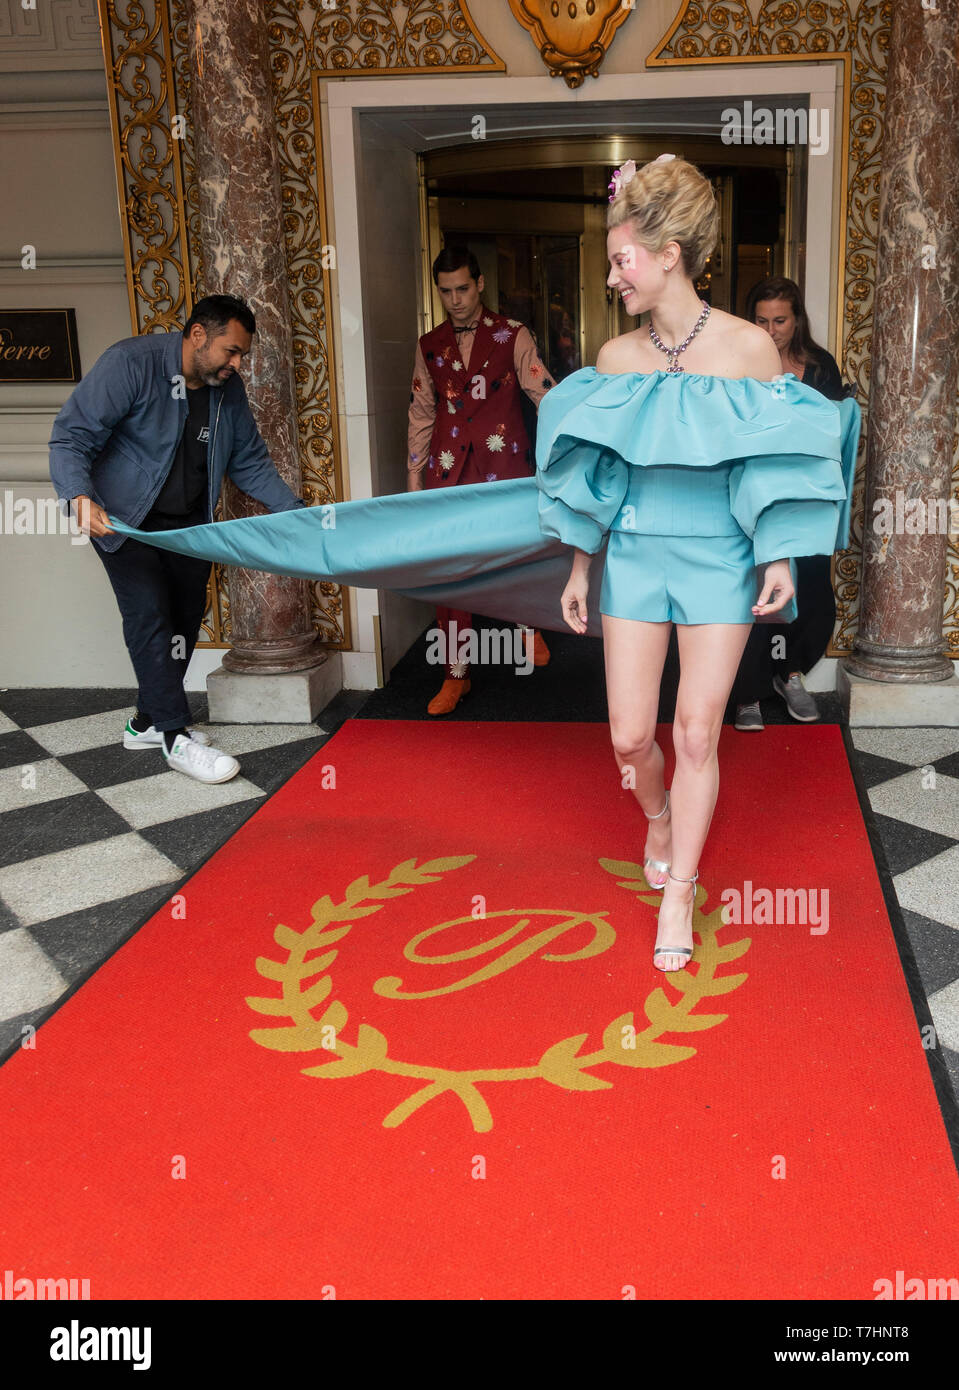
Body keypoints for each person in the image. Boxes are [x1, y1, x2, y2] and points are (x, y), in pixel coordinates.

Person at [110, 162, 857, 974]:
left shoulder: (748, 349)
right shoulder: (612, 358)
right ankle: (656, 820)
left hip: (718, 560)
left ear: (669, 253)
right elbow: (595, 476)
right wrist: (579, 566)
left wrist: (775, 551)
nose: (611, 275)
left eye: (621, 260)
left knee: (695, 734)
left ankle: (679, 889)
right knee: (630, 736)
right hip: (635, 556)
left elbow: (769, 461)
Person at [49, 294, 306, 784]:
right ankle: (175, 737)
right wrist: (78, 497)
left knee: (185, 620)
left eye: (242, 355)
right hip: (126, 521)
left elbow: (248, 459)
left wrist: (294, 513)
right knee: (148, 615)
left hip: (189, 528)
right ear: (196, 335)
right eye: (231, 351)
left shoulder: (226, 390)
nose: (237, 364)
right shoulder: (131, 364)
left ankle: (145, 723)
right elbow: (70, 436)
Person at [408, 247, 555, 715]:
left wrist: (565, 454)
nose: (455, 300)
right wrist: (414, 476)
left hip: (505, 465)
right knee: (451, 570)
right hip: (448, 470)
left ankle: (528, 625)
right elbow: (422, 410)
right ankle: (456, 674)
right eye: (446, 291)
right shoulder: (429, 344)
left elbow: (543, 394)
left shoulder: (512, 334)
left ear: (481, 283)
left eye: (463, 289)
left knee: (517, 554)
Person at [732, 276, 849, 732]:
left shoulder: (820, 365)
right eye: (761, 320)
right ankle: (747, 691)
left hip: (807, 497)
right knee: (756, 592)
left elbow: (834, 431)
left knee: (813, 588)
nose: (770, 329)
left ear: (796, 319)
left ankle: (789, 672)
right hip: (755, 497)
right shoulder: (735, 362)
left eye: (779, 320)